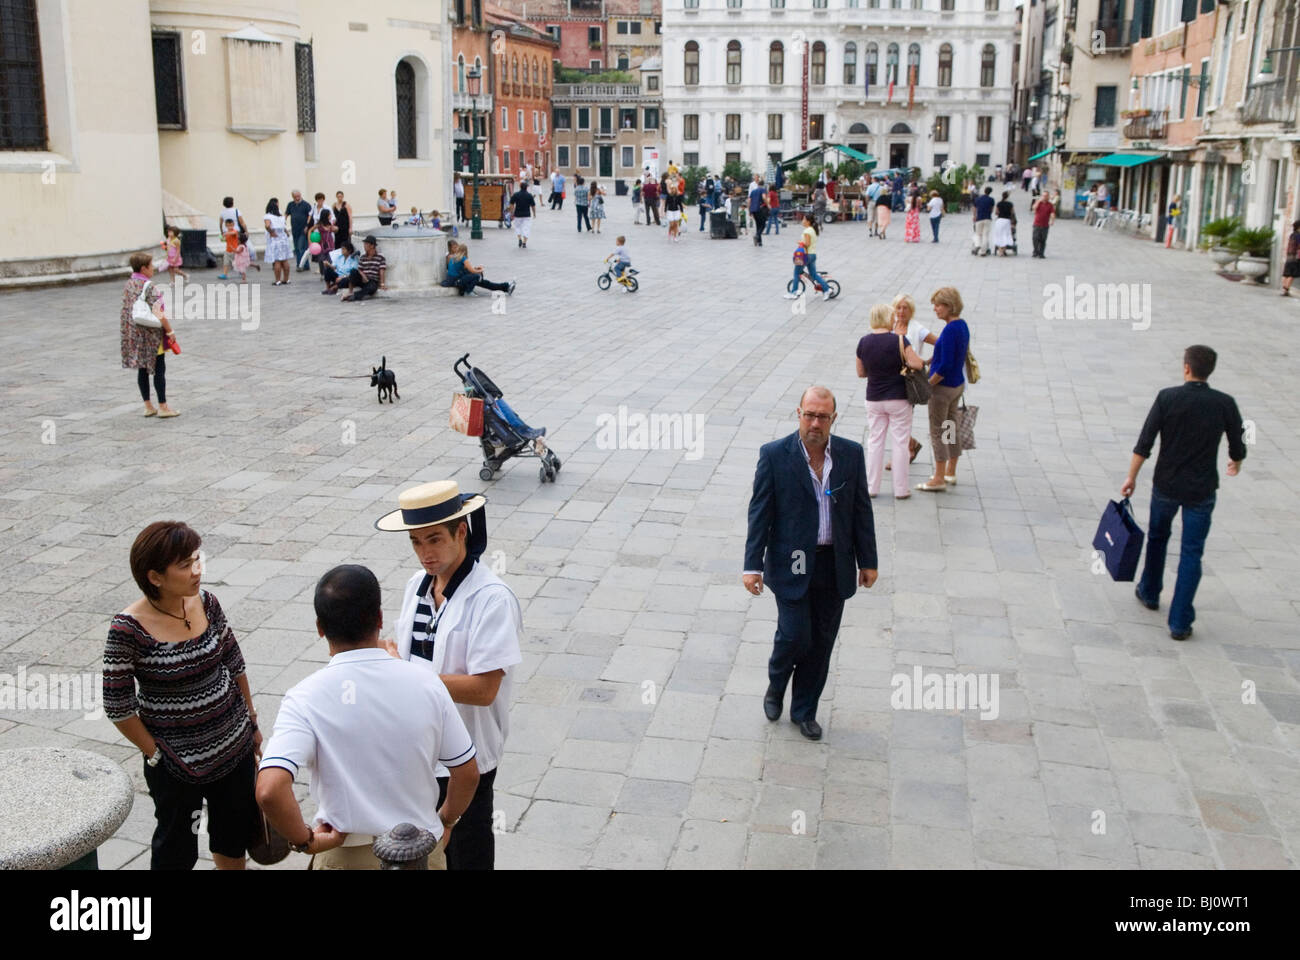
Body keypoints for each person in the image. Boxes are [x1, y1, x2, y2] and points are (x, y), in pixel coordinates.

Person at [256, 564, 480, 870]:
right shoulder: (427, 683)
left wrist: (305, 840)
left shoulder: (304, 698)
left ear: (320, 627)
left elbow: (269, 790)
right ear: (379, 619)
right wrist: (446, 821)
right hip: (418, 851)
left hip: (345, 856)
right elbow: (467, 771)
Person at [378, 481, 523, 870]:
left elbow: (485, 688)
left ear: (462, 532)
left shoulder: (492, 598)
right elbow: (412, 649)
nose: (425, 553)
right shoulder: (416, 586)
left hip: (468, 759)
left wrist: (406, 675)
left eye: (434, 540)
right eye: (416, 542)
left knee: (468, 854)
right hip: (419, 750)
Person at [104, 521, 259, 869]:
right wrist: (155, 754)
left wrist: (251, 720)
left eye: (196, 560)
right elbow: (118, 706)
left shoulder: (207, 602)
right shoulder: (127, 629)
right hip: (176, 767)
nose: (197, 571)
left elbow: (234, 661)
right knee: (175, 851)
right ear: (155, 577)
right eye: (185, 565)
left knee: (233, 839)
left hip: (233, 749)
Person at [742, 386, 878, 740]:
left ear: (833, 418)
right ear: (798, 413)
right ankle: (776, 684)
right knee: (794, 635)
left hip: (833, 563)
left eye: (823, 416)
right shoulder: (774, 455)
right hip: (793, 561)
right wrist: (751, 565)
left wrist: (869, 560)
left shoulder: (850, 454)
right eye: (809, 414)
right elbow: (760, 513)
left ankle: (804, 711)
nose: (815, 423)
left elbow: (861, 510)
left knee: (820, 641)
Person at [1121, 346, 1245, 641]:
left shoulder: (1167, 398)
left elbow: (1144, 443)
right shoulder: (1224, 403)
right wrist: (1235, 462)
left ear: (1186, 368)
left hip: (1166, 484)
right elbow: (1237, 442)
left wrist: (1132, 477)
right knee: (1192, 552)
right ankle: (1179, 620)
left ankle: (1150, 591)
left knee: (1158, 538)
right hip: (1202, 489)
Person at [858, 303, 925, 498]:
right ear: (890, 319)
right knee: (900, 442)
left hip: (874, 398)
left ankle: (872, 487)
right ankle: (901, 489)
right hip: (899, 398)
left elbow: (861, 372)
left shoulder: (863, 342)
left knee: (875, 441)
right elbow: (916, 364)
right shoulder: (900, 340)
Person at [916, 286, 970, 491]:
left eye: (938, 305)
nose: (935, 309)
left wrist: (928, 385)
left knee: (938, 431)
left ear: (949, 306)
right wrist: (930, 360)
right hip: (957, 385)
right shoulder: (962, 326)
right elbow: (952, 355)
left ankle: (937, 477)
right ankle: (950, 471)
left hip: (942, 389)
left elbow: (945, 364)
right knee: (950, 427)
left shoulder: (948, 331)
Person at [120, 252, 179, 418]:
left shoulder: (129, 284)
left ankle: (148, 406)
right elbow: (159, 312)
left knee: (143, 369)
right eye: (151, 265)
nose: (153, 268)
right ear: (144, 268)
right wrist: (170, 331)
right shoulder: (149, 286)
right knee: (159, 369)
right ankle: (163, 406)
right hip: (151, 334)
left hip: (135, 334)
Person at [889, 293, 935, 469]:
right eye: (898, 307)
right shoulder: (890, 325)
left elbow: (940, 343)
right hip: (891, 379)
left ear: (911, 310)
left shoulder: (918, 329)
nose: (901, 311)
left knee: (901, 420)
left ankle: (902, 454)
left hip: (909, 381)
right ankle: (910, 444)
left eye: (905, 308)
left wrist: (926, 362)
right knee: (894, 419)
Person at [446, 241, 515, 297]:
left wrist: (475, 269)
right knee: (478, 277)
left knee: (485, 282)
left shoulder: (453, 257)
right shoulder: (462, 258)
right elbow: (471, 271)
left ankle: (506, 286)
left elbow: (465, 268)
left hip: (457, 279)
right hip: (458, 280)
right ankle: (468, 291)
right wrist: (480, 270)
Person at [785, 213, 829, 300]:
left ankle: (794, 292)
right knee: (813, 274)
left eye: (803, 219)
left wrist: (800, 243)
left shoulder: (807, 231)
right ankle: (827, 289)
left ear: (808, 221)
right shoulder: (812, 229)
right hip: (812, 255)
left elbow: (807, 244)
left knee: (796, 273)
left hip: (805, 255)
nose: (802, 221)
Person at [340, 234, 386, 301]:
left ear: (372, 246)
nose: (364, 246)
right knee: (353, 271)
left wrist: (382, 284)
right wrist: (363, 275)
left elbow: (382, 271)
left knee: (371, 288)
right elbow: (359, 269)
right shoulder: (363, 257)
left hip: (372, 281)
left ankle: (354, 296)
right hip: (363, 279)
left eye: (366, 244)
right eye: (364, 244)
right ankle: (350, 292)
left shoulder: (380, 257)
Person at [287, 190, 312, 270]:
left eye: (298, 196)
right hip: (294, 229)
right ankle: (302, 264)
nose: (297, 198)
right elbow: (287, 214)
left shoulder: (306, 204)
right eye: (295, 197)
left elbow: (310, 216)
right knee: (297, 248)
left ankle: (302, 265)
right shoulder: (290, 205)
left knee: (302, 247)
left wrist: (307, 226)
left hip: (303, 229)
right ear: (293, 197)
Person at [509, 180, 535, 248]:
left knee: (518, 227)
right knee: (526, 228)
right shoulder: (529, 195)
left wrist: (512, 213)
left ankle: (519, 238)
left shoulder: (516, 194)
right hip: (527, 215)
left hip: (517, 214)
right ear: (526, 187)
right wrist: (534, 213)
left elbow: (511, 204)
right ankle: (524, 242)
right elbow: (533, 206)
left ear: (520, 187)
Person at [1031, 191, 1056, 258]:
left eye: (1046, 196)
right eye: (1043, 196)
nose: (1045, 197)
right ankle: (1035, 251)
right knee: (1035, 238)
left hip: (1045, 225)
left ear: (1048, 197)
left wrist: (1052, 220)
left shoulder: (1050, 205)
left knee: (1043, 240)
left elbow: (1052, 213)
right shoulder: (1039, 203)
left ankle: (1041, 253)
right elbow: (1034, 208)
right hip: (1036, 224)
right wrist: (1039, 201)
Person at [972, 187, 995, 256]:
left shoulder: (978, 199)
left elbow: (974, 209)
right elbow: (992, 210)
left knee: (978, 234)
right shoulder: (991, 200)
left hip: (979, 218)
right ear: (990, 192)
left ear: (984, 191)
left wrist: (974, 216)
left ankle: (978, 245)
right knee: (985, 235)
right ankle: (983, 251)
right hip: (987, 218)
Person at [992, 190, 1016, 255]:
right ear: (1007, 197)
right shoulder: (1010, 204)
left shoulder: (999, 203)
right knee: (1006, 235)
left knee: (999, 235)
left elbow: (996, 212)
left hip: (999, 220)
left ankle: (1000, 250)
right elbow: (1012, 213)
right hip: (1007, 221)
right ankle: (1003, 250)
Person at [1282, 220, 1300, 296]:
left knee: (1286, 274)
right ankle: (1286, 290)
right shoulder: (1298, 235)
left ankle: (1284, 289)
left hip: (1289, 256)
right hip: (1295, 257)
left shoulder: (1292, 235)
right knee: (1292, 274)